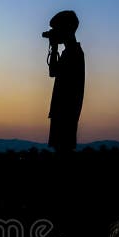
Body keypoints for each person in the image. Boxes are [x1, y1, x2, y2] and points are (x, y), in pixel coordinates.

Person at [47, 10, 85, 154]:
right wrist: (54, 47)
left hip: (65, 114)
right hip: (62, 112)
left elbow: (54, 72)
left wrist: (54, 46)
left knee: (63, 150)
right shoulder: (69, 52)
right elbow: (53, 72)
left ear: (67, 29)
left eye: (58, 29)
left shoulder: (74, 53)